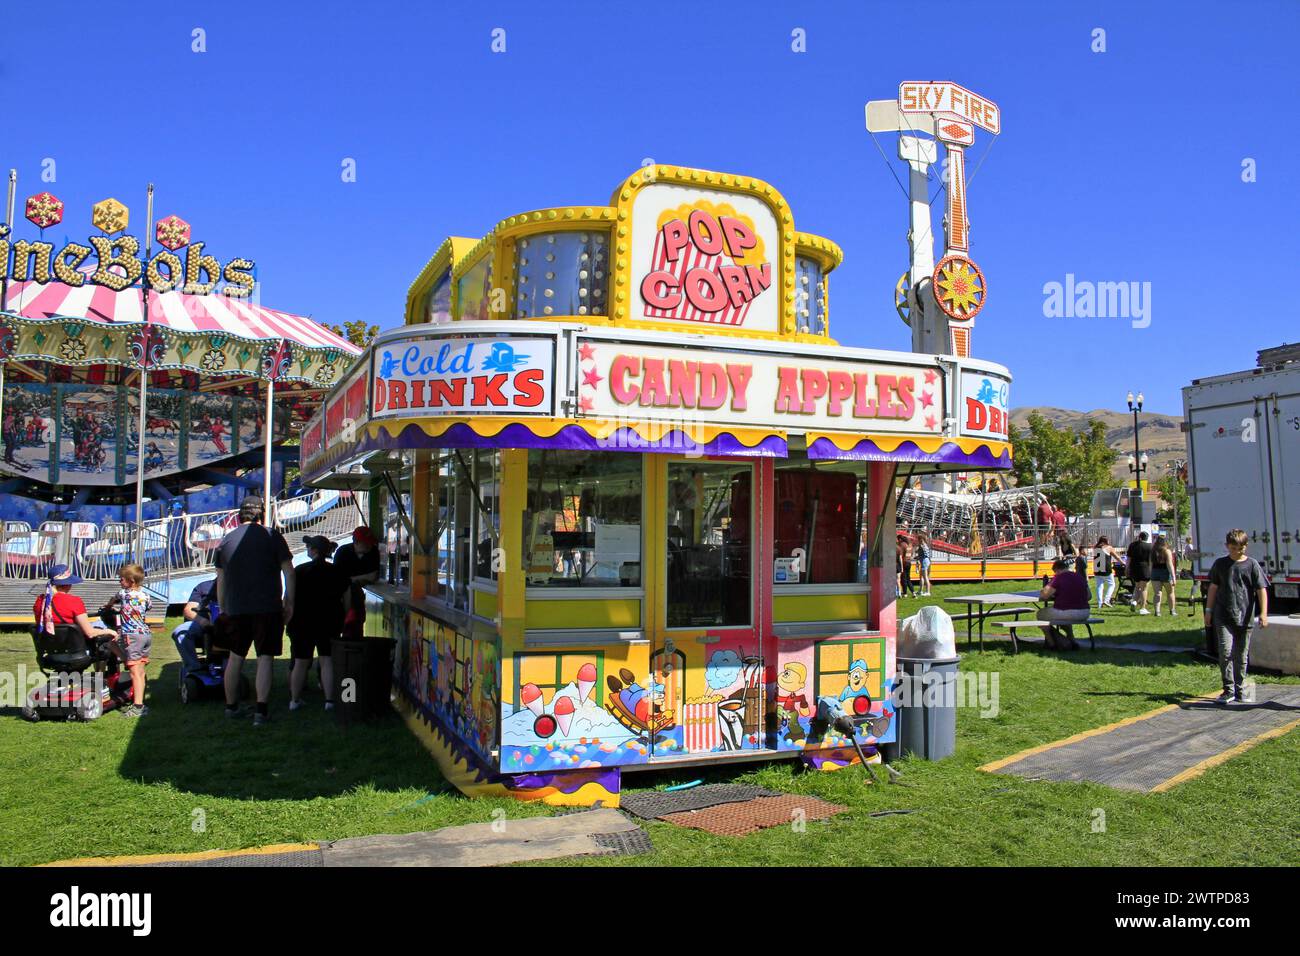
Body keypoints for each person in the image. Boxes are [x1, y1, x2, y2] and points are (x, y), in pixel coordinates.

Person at [213, 496, 294, 726]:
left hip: (236, 607)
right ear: (261, 514)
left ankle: (231, 707)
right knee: (265, 657)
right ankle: (261, 711)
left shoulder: (226, 541)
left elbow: (221, 580)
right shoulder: (272, 536)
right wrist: (290, 601)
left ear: (240, 515)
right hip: (267, 607)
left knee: (235, 657)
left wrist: (223, 607)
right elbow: (289, 571)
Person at [1204, 529, 1269, 705]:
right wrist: (1208, 611)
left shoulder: (1252, 565)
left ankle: (1241, 689)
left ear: (1245, 547)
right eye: (1233, 548)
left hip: (1245, 616)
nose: (1236, 551)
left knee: (1242, 655)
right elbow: (1213, 588)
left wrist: (1263, 613)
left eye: (1240, 548)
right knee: (1225, 652)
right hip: (1223, 616)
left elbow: (1261, 590)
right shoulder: (1220, 564)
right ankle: (1228, 689)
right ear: (1227, 546)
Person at [288, 536, 351, 712]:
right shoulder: (338, 572)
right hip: (329, 621)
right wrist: (343, 616)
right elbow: (347, 599)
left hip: (302, 621)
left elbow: (289, 597)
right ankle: (329, 701)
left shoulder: (299, 571)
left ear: (313, 550)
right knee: (327, 660)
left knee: (300, 662)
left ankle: (295, 700)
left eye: (308, 547)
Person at [106, 564, 152, 717]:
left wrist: (109, 606)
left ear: (131, 581)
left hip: (131, 635)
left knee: (134, 672)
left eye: (122, 579)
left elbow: (114, 598)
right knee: (139, 670)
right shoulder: (145, 595)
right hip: (145, 634)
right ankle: (140, 702)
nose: (120, 582)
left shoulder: (124, 594)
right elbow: (147, 607)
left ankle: (138, 707)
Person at [33, 563, 116, 644]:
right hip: (72, 646)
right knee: (102, 625)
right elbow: (90, 633)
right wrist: (110, 631)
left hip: (50, 646)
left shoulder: (40, 600)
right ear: (68, 584)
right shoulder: (74, 601)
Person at [334, 525, 382, 636]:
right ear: (357, 542)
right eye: (366, 543)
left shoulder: (373, 552)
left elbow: (374, 576)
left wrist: (352, 579)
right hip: (341, 595)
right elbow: (338, 579)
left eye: (371, 542)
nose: (370, 545)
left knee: (355, 626)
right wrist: (360, 578)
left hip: (357, 595)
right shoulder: (342, 552)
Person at [1037, 557, 1091, 650]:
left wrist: (1047, 585)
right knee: (1064, 619)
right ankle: (1071, 639)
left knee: (1040, 614)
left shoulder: (1058, 577)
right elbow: (1089, 596)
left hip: (1066, 612)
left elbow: (1045, 595)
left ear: (1057, 570)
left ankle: (1051, 644)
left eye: (1055, 572)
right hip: (1084, 612)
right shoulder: (1079, 576)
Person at [172, 577, 216, 680]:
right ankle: (194, 670)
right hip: (201, 623)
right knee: (181, 632)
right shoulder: (204, 586)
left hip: (226, 626)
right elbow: (188, 610)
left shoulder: (234, 587)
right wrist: (204, 622)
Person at [1126, 531, 1153, 614]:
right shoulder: (1149, 546)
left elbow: (1129, 559)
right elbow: (1150, 560)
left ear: (1139, 537)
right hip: (1145, 568)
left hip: (1134, 568)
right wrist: (1151, 571)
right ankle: (1142, 608)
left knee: (1137, 586)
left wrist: (1127, 568)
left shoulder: (1132, 545)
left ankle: (1134, 601)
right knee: (1144, 588)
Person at [1092, 536, 1123, 607]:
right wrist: (1123, 563)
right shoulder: (1109, 547)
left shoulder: (1096, 547)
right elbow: (1117, 557)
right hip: (1106, 569)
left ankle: (1100, 603)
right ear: (1106, 541)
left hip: (1097, 569)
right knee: (1112, 584)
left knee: (1099, 586)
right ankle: (1107, 600)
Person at [1150, 534, 1178, 616]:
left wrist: (1150, 574)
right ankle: (1172, 611)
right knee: (1170, 593)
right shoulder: (1167, 551)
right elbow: (1170, 565)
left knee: (1157, 593)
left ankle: (1157, 611)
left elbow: (1150, 564)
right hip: (1165, 572)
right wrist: (1173, 577)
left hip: (1154, 573)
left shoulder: (1152, 551)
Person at [915, 530, 932, 596]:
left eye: (918, 539)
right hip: (925, 561)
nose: (917, 540)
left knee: (925, 577)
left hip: (924, 562)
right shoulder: (925, 545)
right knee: (921, 577)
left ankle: (928, 592)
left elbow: (918, 551)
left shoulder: (922, 546)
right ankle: (920, 590)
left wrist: (917, 556)